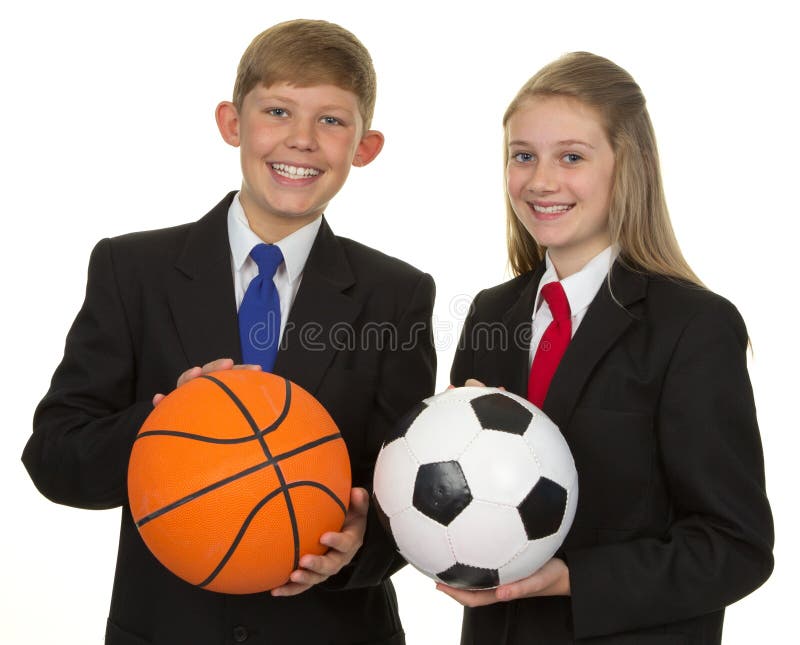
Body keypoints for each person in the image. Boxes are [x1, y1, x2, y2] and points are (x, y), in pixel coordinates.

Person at [22, 19, 435, 645]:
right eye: (277, 110)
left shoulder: (397, 294)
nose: (301, 141)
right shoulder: (132, 270)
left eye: (331, 121)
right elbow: (54, 457)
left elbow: (408, 490)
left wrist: (357, 549)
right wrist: (162, 424)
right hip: (168, 628)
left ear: (365, 146)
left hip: (332, 631)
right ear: (232, 123)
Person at [444, 52, 773, 644]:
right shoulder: (492, 315)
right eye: (523, 156)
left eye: (571, 156)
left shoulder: (693, 326)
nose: (540, 180)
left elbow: (736, 546)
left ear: (628, 167)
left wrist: (573, 578)